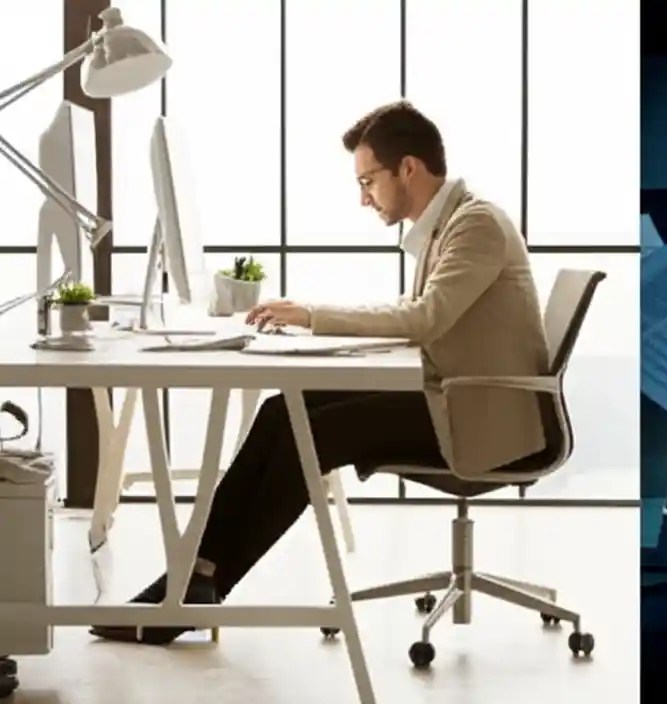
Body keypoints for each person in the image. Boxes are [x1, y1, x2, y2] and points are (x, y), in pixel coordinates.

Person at [91, 100, 550, 644]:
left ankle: (200, 583)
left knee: (314, 434)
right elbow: (429, 319)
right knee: (286, 407)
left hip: (483, 418)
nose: (363, 198)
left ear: (408, 168)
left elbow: (426, 317)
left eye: (368, 181)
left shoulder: (476, 225)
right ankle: (198, 575)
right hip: (457, 397)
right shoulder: (454, 223)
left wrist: (311, 315)